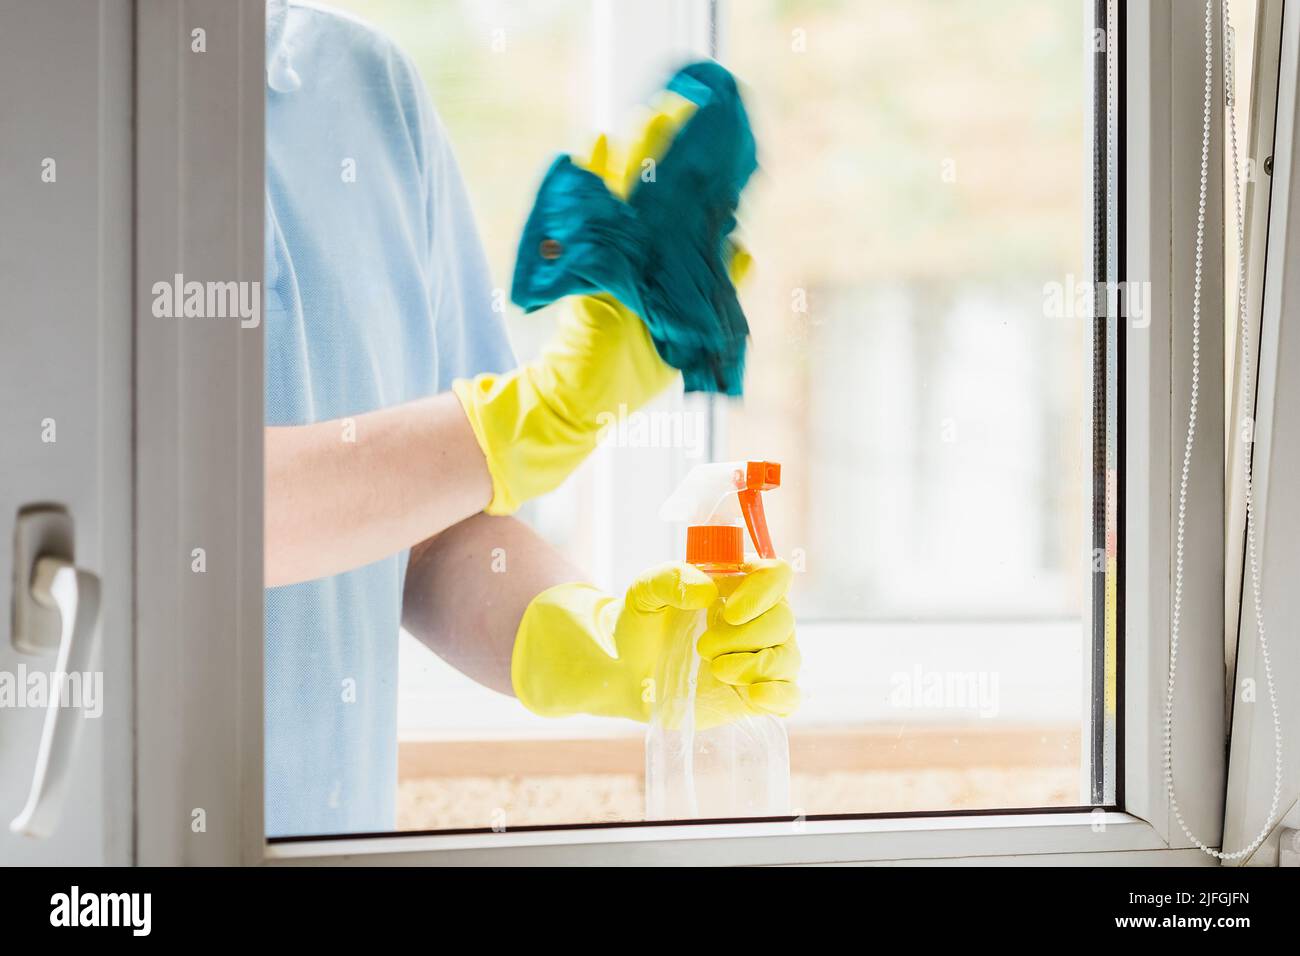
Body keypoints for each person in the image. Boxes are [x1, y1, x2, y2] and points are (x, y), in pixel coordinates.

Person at [263, 0, 799, 837]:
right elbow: (166, 514)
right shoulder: (47, 96)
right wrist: (544, 412)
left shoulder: (371, 92)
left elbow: (433, 529)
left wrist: (613, 648)